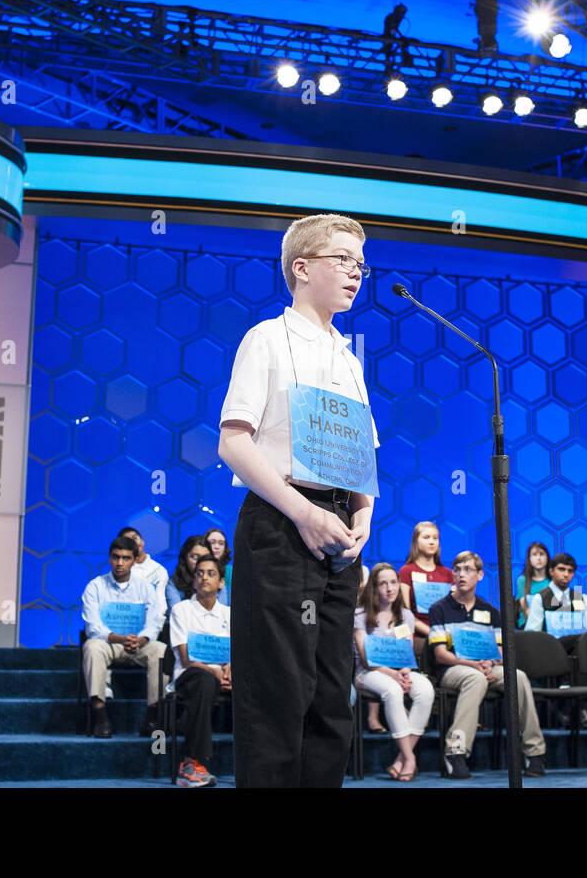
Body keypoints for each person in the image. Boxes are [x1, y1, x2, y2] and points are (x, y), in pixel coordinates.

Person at [217, 213, 380, 789]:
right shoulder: (266, 339)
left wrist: (361, 515)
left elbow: (362, 462)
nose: (356, 273)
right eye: (343, 260)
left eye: (361, 264)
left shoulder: (351, 360)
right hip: (282, 525)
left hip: (338, 536)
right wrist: (304, 512)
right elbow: (233, 441)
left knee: (333, 693)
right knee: (277, 692)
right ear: (301, 267)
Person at [427, 551, 547, 780]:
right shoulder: (439, 609)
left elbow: (501, 651)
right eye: (457, 569)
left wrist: (490, 662)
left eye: (468, 570)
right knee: (476, 678)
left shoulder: (491, 612)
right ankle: (455, 752)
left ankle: (534, 752)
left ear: (480, 575)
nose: (461, 574)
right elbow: (441, 655)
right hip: (454, 669)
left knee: (518, 676)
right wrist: (473, 665)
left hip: (487, 666)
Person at [353, 563, 434, 781]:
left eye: (393, 582)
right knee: (393, 691)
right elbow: (366, 659)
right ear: (374, 587)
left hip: (399, 671)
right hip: (368, 673)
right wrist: (395, 676)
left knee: (425, 690)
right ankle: (410, 758)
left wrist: (405, 672)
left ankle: (401, 758)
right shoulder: (360, 615)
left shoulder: (405, 615)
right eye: (383, 583)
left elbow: (405, 652)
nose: (390, 588)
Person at [81, 536, 167, 738]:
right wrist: (119, 638)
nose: (120, 563)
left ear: (135, 560)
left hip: (138, 644)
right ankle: (100, 716)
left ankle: (152, 716)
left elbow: (154, 622)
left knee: (160, 650)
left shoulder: (145, 587)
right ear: (109, 558)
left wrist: (142, 639)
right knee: (92, 646)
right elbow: (93, 626)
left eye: (126, 558)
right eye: (115, 557)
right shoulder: (95, 586)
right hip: (108, 643)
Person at [169, 554, 231, 788]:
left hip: (221, 676)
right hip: (190, 676)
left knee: (260, 680)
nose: (204, 577)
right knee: (205, 680)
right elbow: (186, 660)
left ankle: (267, 762)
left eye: (211, 573)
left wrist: (230, 672)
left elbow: (236, 654)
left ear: (221, 582)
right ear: (194, 580)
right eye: (199, 573)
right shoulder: (181, 610)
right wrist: (216, 673)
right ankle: (191, 764)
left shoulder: (229, 614)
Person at [525, 552, 587, 729]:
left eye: (570, 571)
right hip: (550, 650)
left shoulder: (581, 598)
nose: (566, 574)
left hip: (578, 650)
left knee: (585, 644)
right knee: (573, 647)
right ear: (551, 571)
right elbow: (532, 633)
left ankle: (570, 706)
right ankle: (579, 711)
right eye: (561, 569)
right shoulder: (540, 597)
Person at [397, 521, 454, 640]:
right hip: (418, 636)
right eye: (426, 537)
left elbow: (454, 610)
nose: (432, 542)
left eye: (435, 538)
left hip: (447, 635)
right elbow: (405, 612)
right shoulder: (406, 571)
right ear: (416, 541)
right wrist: (432, 634)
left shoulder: (448, 574)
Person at [166, 535, 229, 613]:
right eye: (195, 557)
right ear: (185, 558)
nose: (200, 562)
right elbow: (177, 614)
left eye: (205, 557)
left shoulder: (217, 582)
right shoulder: (172, 584)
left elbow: (221, 614)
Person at [119, 525, 168, 613]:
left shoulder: (159, 570)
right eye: (128, 541)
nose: (133, 543)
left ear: (142, 541)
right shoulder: (120, 571)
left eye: (135, 538)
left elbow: (161, 605)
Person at [515, 541, 551, 628]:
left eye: (542, 554)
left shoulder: (552, 581)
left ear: (547, 557)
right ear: (529, 558)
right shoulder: (522, 580)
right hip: (527, 623)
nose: (538, 558)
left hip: (549, 623)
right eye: (534, 554)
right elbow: (525, 608)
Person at [203, 527, 234, 594]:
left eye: (221, 543)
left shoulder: (230, 571)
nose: (216, 546)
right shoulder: (196, 569)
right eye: (212, 542)